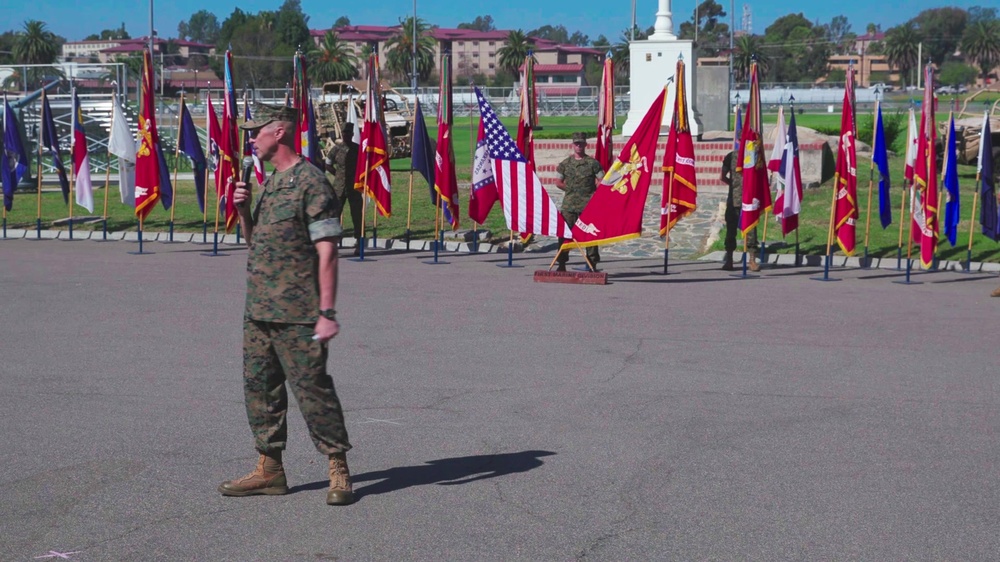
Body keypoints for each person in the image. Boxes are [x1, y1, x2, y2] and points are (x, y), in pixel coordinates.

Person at [220, 103, 354, 506]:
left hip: (298, 311)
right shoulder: (271, 182)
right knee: (260, 390)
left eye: (255, 131)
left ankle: (338, 467)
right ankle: (269, 469)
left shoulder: (311, 182)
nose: (250, 139)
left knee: (312, 390)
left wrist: (327, 312)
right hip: (259, 308)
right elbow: (255, 241)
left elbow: (328, 251)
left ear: (278, 131)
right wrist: (243, 209)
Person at [554, 132, 604, 272]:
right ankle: (561, 263)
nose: (579, 146)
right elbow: (558, 181)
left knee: (590, 235)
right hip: (569, 205)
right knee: (564, 235)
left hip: (587, 205)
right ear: (573, 145)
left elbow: (602, 179)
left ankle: (592, 263)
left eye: (581, 143)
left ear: (585, 145)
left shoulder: (592, 163)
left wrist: (593, 192)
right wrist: (570, 189)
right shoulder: (565, 164)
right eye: (576, 143)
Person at [325, 122, 363, 256]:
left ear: (352, 135)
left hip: (354, 187)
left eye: (348, 133)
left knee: (357, 215)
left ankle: (359, 243)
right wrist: (338, 175)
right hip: (339, 188)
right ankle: (332, 243)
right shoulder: (336, 149)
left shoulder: (358, 149)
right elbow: (328, 164)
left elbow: (364, 166)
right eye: (344, 133)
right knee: (334, 215)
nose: (346, 135)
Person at [720, 149, 759, 271]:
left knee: (751, 230)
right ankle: (729, 260)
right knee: (731, 230)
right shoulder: (731, 156)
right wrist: (733, 186)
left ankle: (752, 260)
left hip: (749, 199)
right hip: (734, 199)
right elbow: (722, 176)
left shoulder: (754, 155)